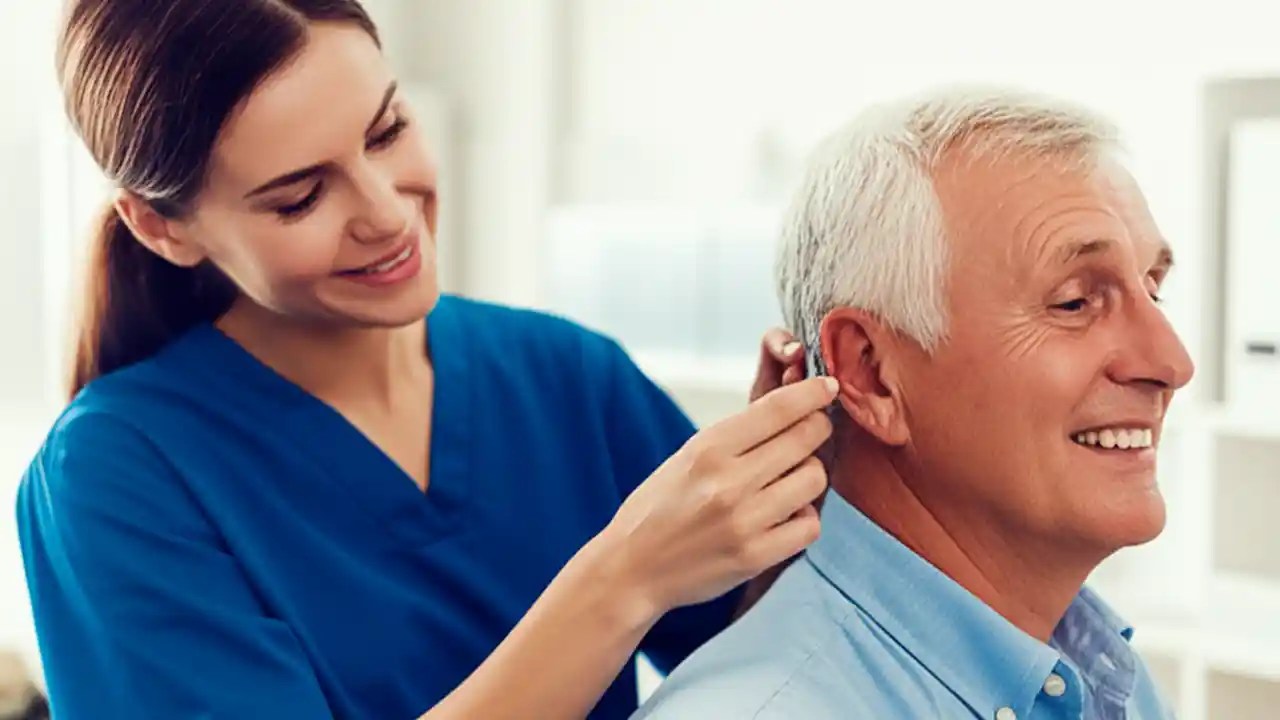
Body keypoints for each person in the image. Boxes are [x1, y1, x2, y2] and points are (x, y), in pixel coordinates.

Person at [15, 2, 839, 719]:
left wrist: (780, 493)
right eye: (301, 196)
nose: (387, 212)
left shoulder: (568, 377)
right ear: (165, 228)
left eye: (388, 132)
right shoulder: (114, 474)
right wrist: (623, 579)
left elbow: (747, 663)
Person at [634, 87, 1195, 720]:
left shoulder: (1107, 679)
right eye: (1072, 302)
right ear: (871, 374)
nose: (1172, 364)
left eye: (1153, 288)